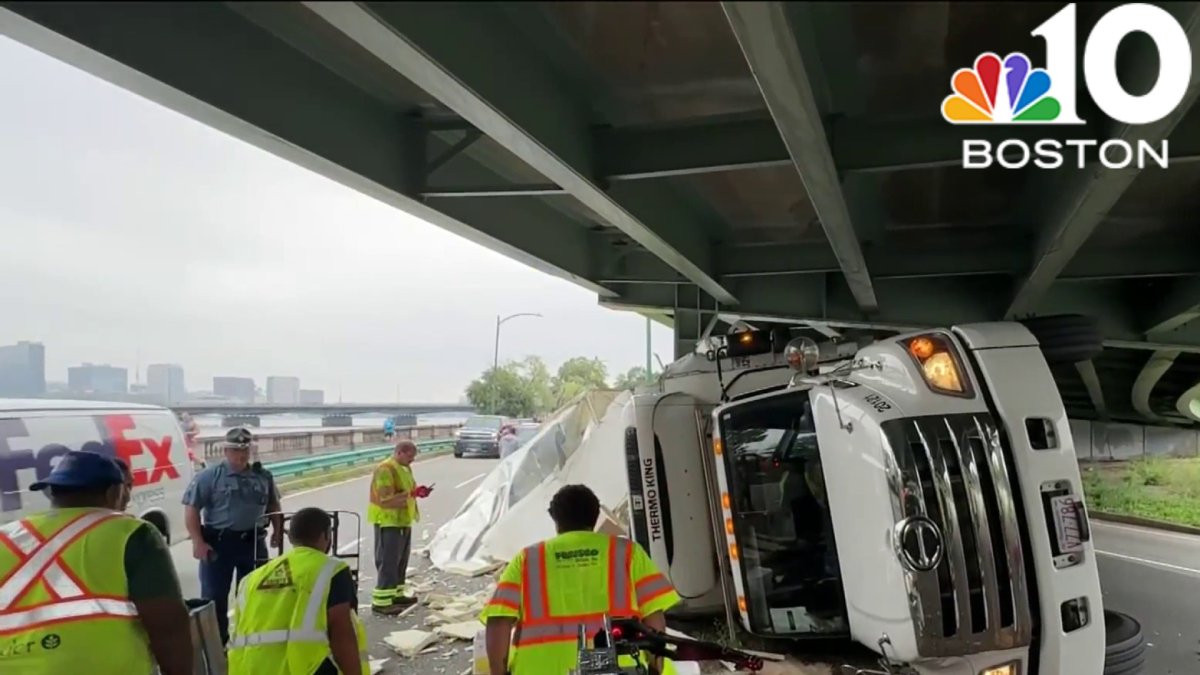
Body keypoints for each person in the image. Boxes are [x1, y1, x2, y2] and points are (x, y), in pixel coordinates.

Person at [0, 450, 192, 674]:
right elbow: (168, 625)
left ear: (50, 492)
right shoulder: (131, 534)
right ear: (114, 492)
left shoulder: (6, 536)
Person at [480, 484, 682, 675]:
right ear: (595, 518)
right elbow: (654, 616)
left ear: (556, 520)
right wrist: (656, 665)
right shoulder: (627, 553)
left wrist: (498, 671)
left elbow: (498, 621)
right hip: (616, 668)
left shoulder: (527, 559)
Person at [229, 507, 369, 675]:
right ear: (326, 535)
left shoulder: (250, 580)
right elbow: (342, 635)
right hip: (301, 669)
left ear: (290, 537)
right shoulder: (331, 570)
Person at [182, 426, 284, 644]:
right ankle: (218, 645)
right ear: (225, 451)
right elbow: (192, 509)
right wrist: (197, 542)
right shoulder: (209, 477)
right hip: (219, 544)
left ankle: (250, 639)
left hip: (253, 542)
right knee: (214, 598)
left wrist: (277, 530)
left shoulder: (262, 476)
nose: (241, 455)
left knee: (256, 594)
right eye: (236, 451)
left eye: (245, 451)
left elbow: (274, 503)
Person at [366, 438, 433, 615]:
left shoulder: (404, 468)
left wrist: (418, 492)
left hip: (402, 520)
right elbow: (386, 499)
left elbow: (407, 490)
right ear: (399, 452)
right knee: (388, 561)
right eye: (410, 457)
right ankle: (381, 601)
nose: (412, 460)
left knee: (400, 560)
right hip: (387, 520)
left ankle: (396, 594)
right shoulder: (385, 470)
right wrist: (411, 493)